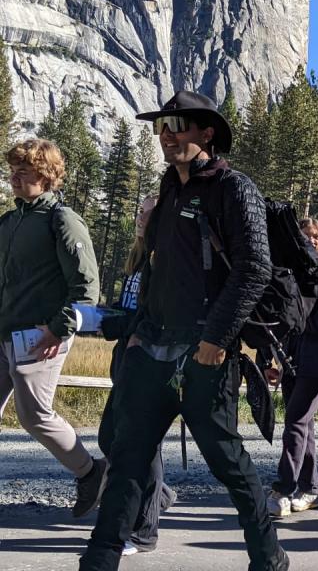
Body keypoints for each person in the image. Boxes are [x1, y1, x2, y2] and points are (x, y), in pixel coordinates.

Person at [80, 91, 288, 571]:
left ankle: (269, 558)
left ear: (206, 133)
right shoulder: (167, 188)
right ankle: (99, 560)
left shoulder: (234, 188)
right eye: (161, 126)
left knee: (228, 464)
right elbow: (154, 269)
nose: (167, 133)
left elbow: (255, 269)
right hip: (151, 349)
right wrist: (135, 331)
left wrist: (216, 339)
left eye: (177, 123)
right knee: (128, 459)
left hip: (205, 355)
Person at [0, 138, 105, 518]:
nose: (14, 177)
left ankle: (91, 471)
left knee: (34, 417)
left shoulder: (62, 220)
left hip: (40, 336)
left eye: (23, 171)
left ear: (45, 177)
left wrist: (58, 330)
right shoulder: (10, 222)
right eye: (12, 170)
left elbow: (86, 287)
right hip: (4, 334)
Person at [97, 196, 178, 556]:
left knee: (146, 448)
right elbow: (129, 307)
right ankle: (159, 497)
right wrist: (103, 315)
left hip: (151, 361)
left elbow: (158, 316)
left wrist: (120, 323)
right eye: (140, 212)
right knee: (109, 436)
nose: (140, 218)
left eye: (148, 213)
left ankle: (144, 531)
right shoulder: (137, 258)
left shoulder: (168, 260)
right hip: (125, 361)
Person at [266, 218, 318, 517]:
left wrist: (305, 325)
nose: (312, 241)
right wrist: (274, 357)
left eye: (317, 236)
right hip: (292, 357)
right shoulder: (292, 271)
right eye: (306, 236)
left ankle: (283, 489)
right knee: (305, 426)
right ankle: (310, 488)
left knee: (295, 422)